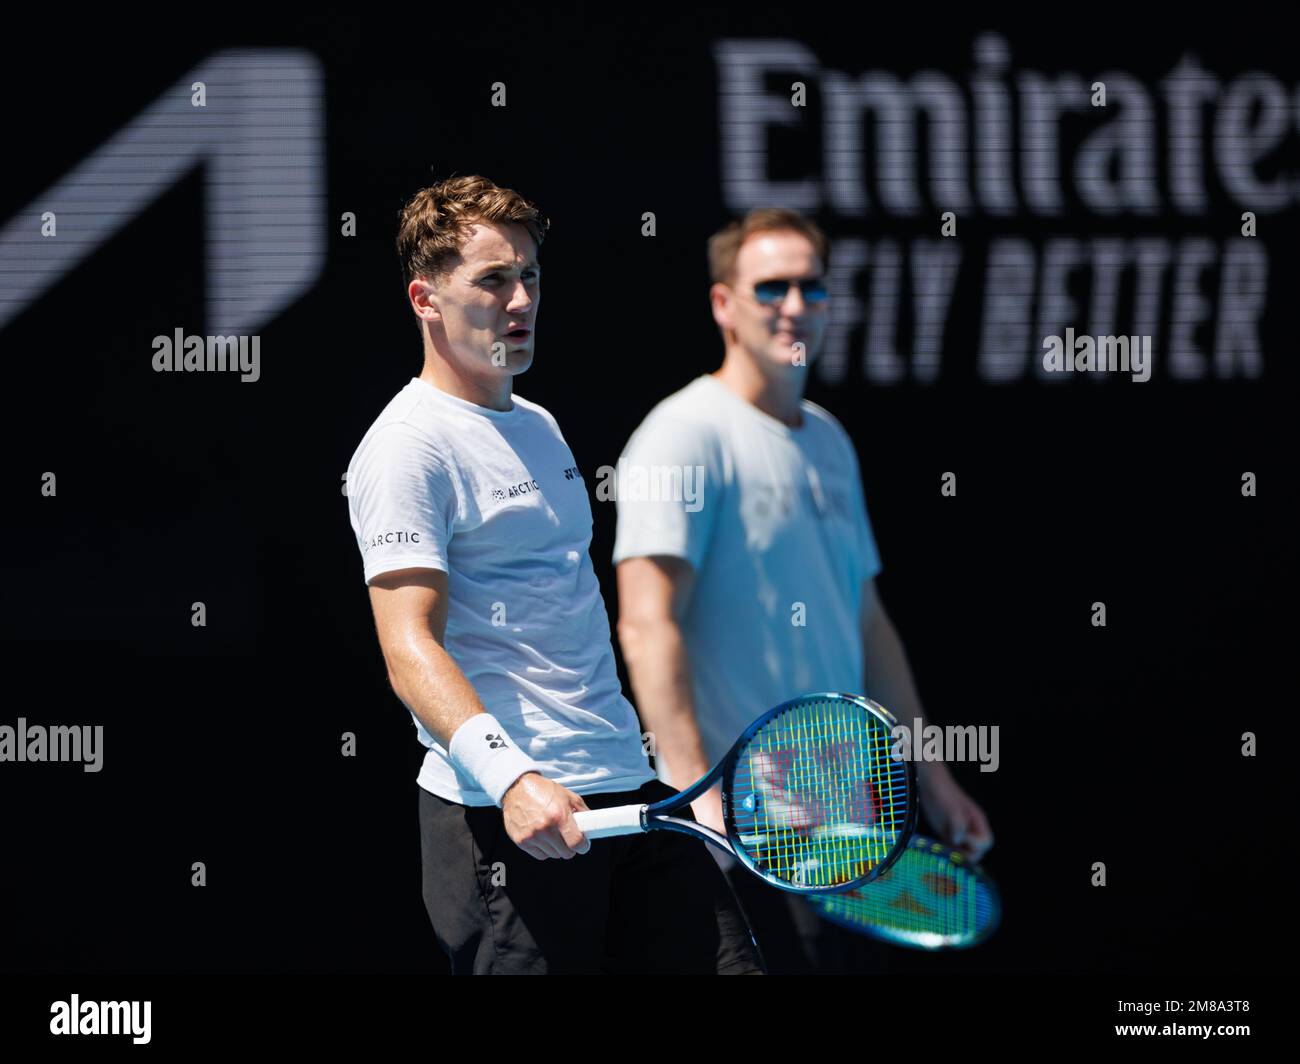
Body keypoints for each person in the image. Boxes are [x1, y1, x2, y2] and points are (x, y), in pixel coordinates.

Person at [346, 175, 762, 974]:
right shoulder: (406, 447)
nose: (520, 299)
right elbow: (408, 650)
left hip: (629, 793)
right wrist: (514, 780)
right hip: (507, 819)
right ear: (425, 299)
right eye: (493, 279)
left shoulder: (539, 424)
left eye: (530, 275)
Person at [612, 207, 994, 973]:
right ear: (724, 305)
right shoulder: (682, 435)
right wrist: (696, 795)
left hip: (849, 820)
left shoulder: (828, 438)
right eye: (771, 286)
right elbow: (647, 622)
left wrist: (935, 774)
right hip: (745, 832)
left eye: (811, 287)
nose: (794, 305)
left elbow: (867, 622)